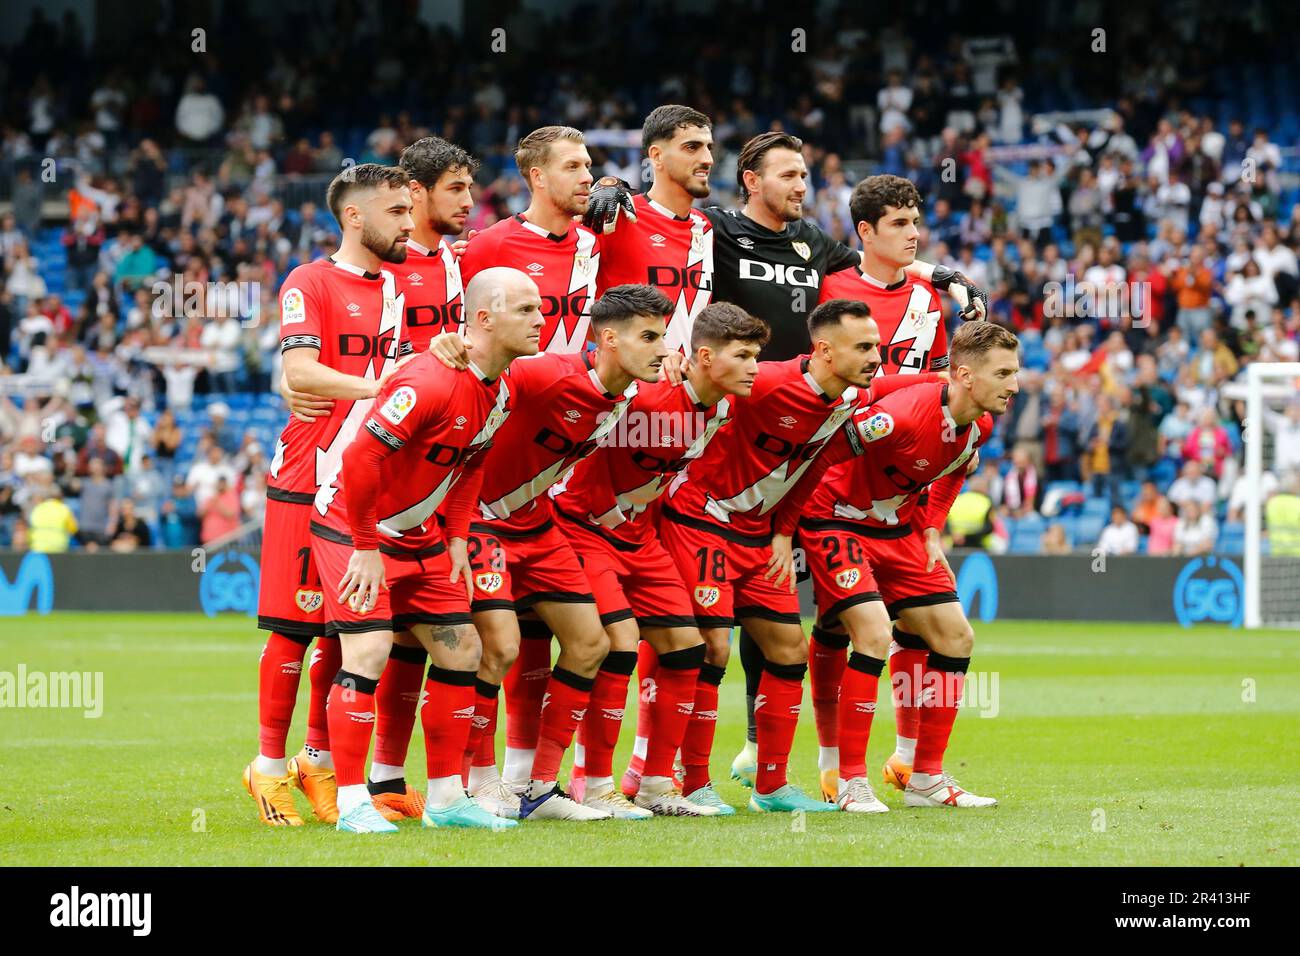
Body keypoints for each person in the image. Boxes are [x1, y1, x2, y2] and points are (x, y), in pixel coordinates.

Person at [657, 298, 939, 813]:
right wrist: (674, 359)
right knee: (712, 647)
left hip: (760, 536)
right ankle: (685, 779)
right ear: (825, 351)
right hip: (703, 520)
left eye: (877, 345)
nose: (877, 356)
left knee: (788, 648)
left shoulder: (852, 398)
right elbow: (694, 378)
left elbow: (812, 467)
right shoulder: (763, 381)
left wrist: (784, 532)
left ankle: (771, 787)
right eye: (865, 347)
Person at [308, 265, 543, 834]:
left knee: (462, 650)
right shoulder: (431, 379)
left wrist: (458, 538)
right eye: (527, 310)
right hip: (352, 529)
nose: (542, 320)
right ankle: (351, 802)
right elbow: (360, 459)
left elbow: (472, 465)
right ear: (483, 319)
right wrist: (365, 545)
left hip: (423, 538)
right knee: (366, 656)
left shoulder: (501, 389)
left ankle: (444, 799)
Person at [431, 283, 677, 822]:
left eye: (665, 335)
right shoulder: (548, 374)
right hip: (482, 523)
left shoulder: (628, 393)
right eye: (651, 337)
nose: (663, 348)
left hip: (538, 526)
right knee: (500, 649)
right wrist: (444, 345)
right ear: (609, 340)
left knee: (593, 644)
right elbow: (473, 365)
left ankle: (540, 787)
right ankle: (478, 782)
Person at [242, 163, 415, 829]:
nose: (407, 224)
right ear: (355, 217)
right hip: (306, 477)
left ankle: (318, 760)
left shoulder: (399, 291)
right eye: (396, 212)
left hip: (365, 481)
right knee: (293, 631)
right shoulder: (308, 282)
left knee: (348, 636)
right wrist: (382, 386)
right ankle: (266, 768)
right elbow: (299, 370)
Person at [553, 303, 769, 817]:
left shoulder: (722, 408)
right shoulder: (644, 396)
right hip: (584, 528)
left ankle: (654, 784)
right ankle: (591, 781)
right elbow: (584, 455)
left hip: (640, 537)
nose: (755, 367)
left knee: (686, 648)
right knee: (617, 645)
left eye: (757, 356)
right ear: (703, 356)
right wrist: (609, 516)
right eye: (742, 356)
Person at [27, 487, 78, 553]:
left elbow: (30, 529)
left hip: (38, 548)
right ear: (61, 498)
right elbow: (73, 529)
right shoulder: (64, 509)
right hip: (58, 548)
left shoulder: (38, 508)